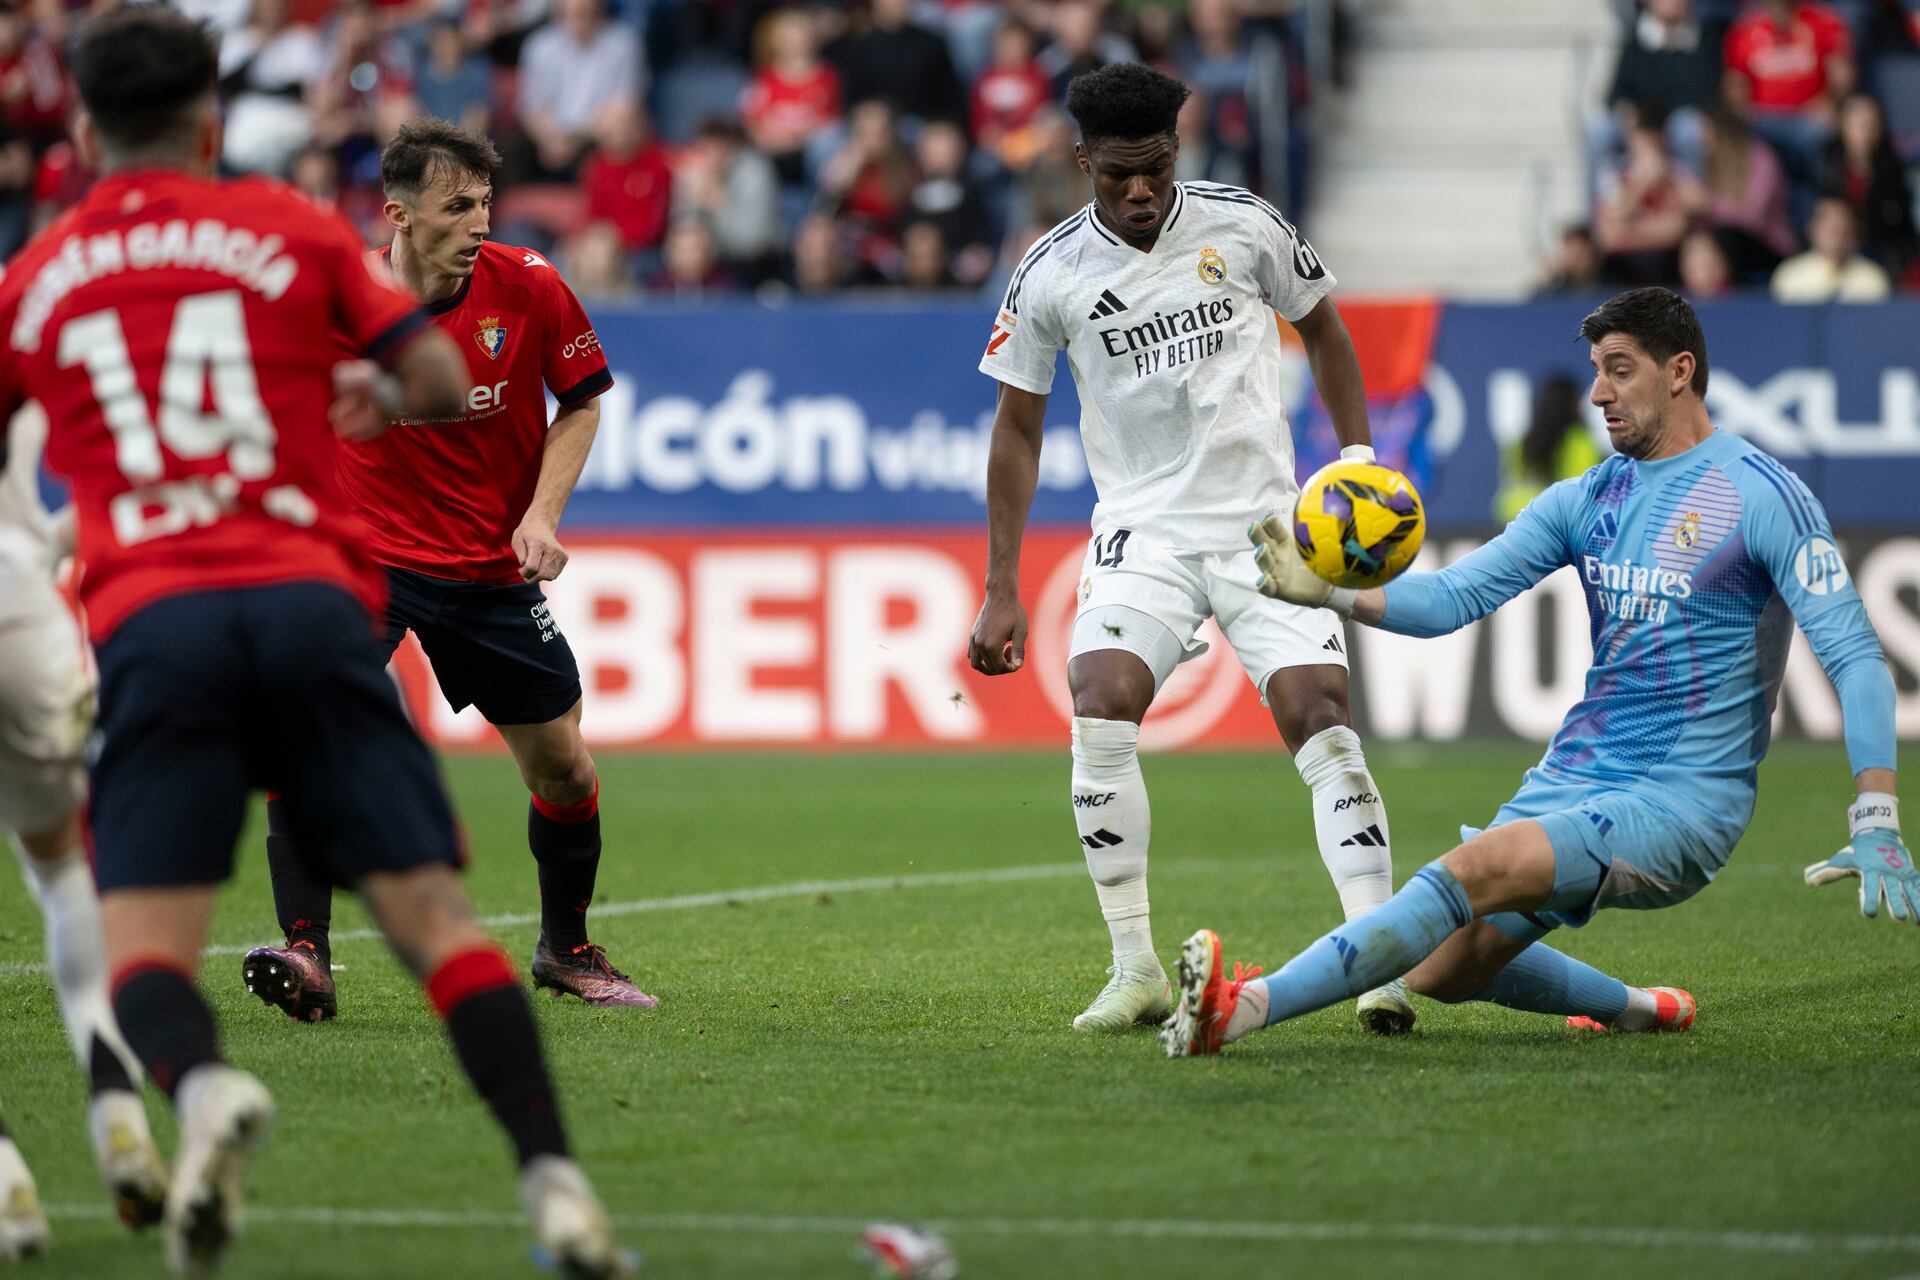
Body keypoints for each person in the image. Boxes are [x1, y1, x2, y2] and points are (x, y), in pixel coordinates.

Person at [0, 9, 627, 1272]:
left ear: (76, 131)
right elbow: (434, 379)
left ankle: (195, 1093)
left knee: (136, 945)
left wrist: (49, 524)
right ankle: (555, 1181)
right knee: (440, 921)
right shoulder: (285, 235)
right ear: (211, 125)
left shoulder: (43, 272)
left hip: (153, 610)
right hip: (313, 582)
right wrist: (378, 389)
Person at [1164, 287, 1911, 1059]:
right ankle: (1640, 1008)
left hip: (1684, 799)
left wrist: (1876, 814)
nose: (1598, 392)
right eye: (1596, 369)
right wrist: (1328, 592)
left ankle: (1239, 1007)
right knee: (1435, 968)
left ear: (1680, 370)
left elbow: (1855, 656)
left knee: (1475, 869)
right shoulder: (1589, 497)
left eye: (1619, 370)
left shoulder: (1763, 495)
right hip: (1576, 773)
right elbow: (1454, 596)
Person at [970, 63, 1414, 1036]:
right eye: (1120, 172)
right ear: (1083, 159)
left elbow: (1326, 332)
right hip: (1146, 530)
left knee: (1320, 715)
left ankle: (1377, 955)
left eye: (1159, 168)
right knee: (1101, 699)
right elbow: (1016, 428)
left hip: (1265, 521)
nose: (1141, 190)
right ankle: (1135, 967)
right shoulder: (1051, 272)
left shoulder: (1245, 225)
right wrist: (1001, 583)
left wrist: (1354, 466)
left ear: (1180, 150)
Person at [243, 117, 655, 1020]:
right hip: (365, 558)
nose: (479, 223)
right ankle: (304, 951)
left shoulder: (531, 287)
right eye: (456, 207)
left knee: (565, 772)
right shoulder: (335, 296)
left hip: (487, 568)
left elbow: (583, 402)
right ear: (397, 213)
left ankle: (566, 949)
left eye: (485, 204)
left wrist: (542, 514)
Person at [0, 406, 167, 1258]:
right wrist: (41, 548)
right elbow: (118, 474)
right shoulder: (22, 312)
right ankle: (117, 1103)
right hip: (20, 609)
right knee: (63, 867)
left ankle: (5, 1183)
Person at [1492, 373, 1603, 524]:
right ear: (1573, 402)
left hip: (1512, 518)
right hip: (1556, 522)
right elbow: (1582, 491)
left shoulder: (1521, 442)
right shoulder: (1580, 441)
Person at [1770, 193, 1891, 301]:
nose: (1836, 230)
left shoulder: (1872, 279)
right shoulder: (1789, 276)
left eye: (1842, 224)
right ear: (1812, 228)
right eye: (1828, 223)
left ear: (1854, 231)